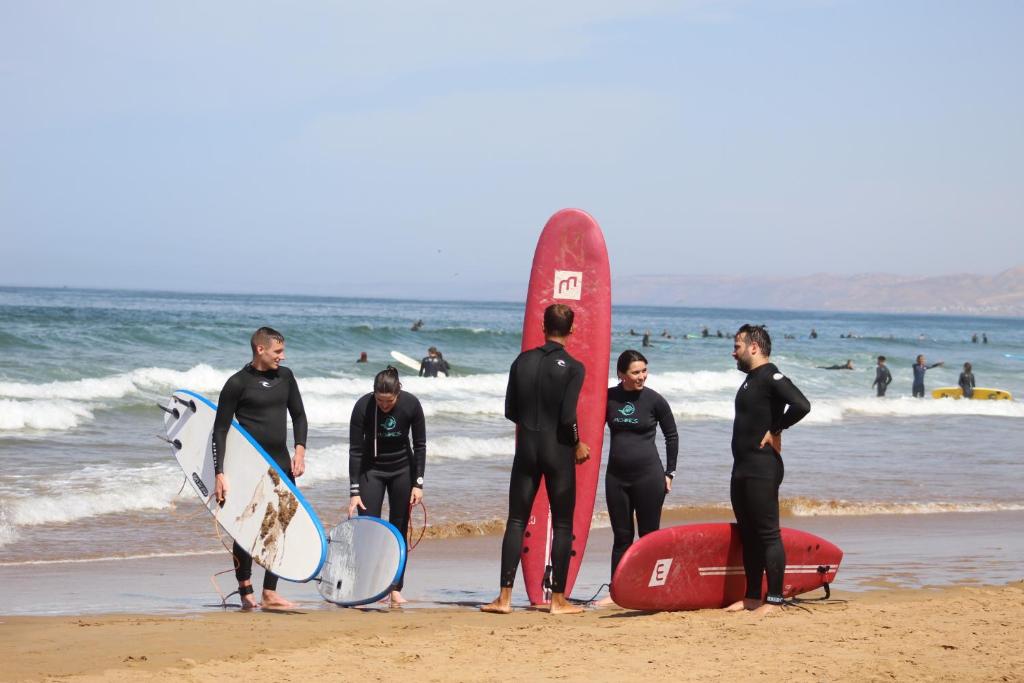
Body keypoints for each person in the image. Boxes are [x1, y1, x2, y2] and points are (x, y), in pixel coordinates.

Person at [481, 304, 590, 615]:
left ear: (543, 327)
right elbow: (567, 417)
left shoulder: (521, 361)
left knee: (516, 520)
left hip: (527, 450)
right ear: (572, 330)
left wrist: (532, 427)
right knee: (563, 523)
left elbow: (510, 411)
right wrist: (577, 444)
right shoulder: (574, 367)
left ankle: (504, 599)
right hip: (558, 451)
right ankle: (558, 600)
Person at [212, 327, 308, 610]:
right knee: (245, 527)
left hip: (281, 462)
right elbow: (220, 429)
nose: (282, 356)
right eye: (278, 351)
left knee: (280, 524)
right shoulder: (237, 383)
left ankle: (270, 592)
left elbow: (299, 415)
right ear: (260, 349)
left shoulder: (286, 377)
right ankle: (245, 590)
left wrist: (300, 450)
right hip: (249, 467)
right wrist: (219, 472)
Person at [725, 324, 810, 616]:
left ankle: (774, 599)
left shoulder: (771, 376)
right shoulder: (751, 380)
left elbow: (802, 405)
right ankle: (751, 597)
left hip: (762, 467)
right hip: (742, 467)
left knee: (768, 534)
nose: (733, 352)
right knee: (748, 534)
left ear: (753, 347)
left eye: (737, 346)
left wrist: (776, 429)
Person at [598, 350, 678, 607]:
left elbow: (671, 436)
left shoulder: (655, 400)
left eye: (644, 370)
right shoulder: (608, 398)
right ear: (621, 374)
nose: (642, 376)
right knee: (621, 538)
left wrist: (670, 473)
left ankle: (649, 590)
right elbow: (590, 428)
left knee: (648, 537)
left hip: (649, 478)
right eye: (635, 372)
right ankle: (617, 591)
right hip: (616, 478)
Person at [348, 366, 426, 606]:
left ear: (398, 392)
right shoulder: (363, 407)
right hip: (371, 471)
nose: (383, 405)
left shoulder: (411, 404)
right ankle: (366, 586)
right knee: (367, 528)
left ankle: (394, 588)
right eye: (379, 400)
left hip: (403, 470)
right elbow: (355, 450)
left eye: (389, 401)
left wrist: (418, 482)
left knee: (398, 528)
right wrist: (354, 491)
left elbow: (420, 445)